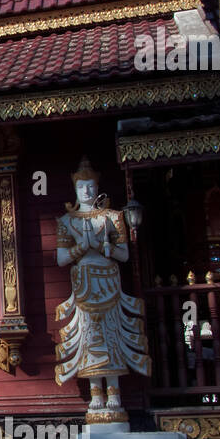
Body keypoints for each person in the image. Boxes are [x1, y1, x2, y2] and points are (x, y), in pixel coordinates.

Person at [54, 158, 151, 416]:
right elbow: (61, 259)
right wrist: (83, 247)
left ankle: (115, 392)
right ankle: (96, 392)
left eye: (90, 186)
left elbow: (124, 255)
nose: (86, 191)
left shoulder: (112, 217)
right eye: (81, 187)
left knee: (111, 336)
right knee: (89, 337)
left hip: (108, 281)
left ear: (97, 187)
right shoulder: (67, 221)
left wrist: (105, 247)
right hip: (85, 283)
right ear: (75, 189)